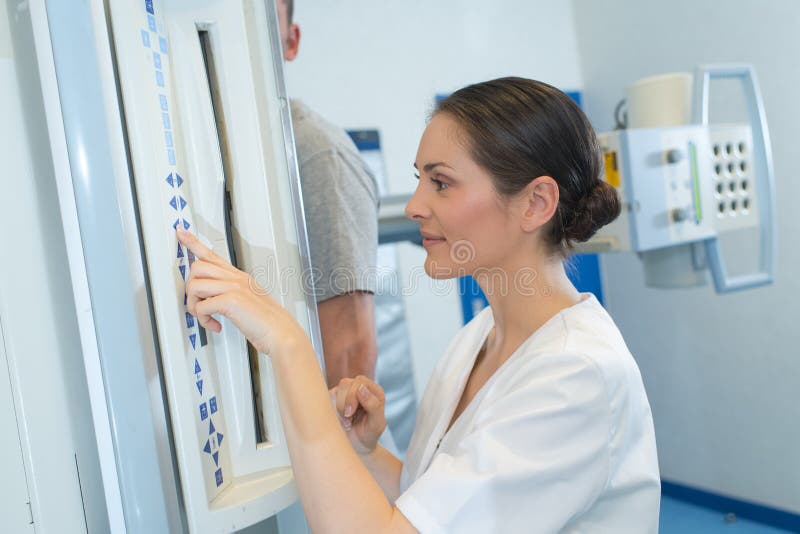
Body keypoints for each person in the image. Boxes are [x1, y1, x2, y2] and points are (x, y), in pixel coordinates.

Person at [178, 77, 661, 533]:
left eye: (442, 183)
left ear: (535, 203)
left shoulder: (577, 375)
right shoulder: (479, 338)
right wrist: (365, 451)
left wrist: (288, 344)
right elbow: (431, 508)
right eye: (419, 180)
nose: (414, 205)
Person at [277, 0, 379, 386]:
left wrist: (325, 446)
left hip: (323, 441)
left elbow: (350, 354)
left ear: (291, 41)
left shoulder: (317, 153)